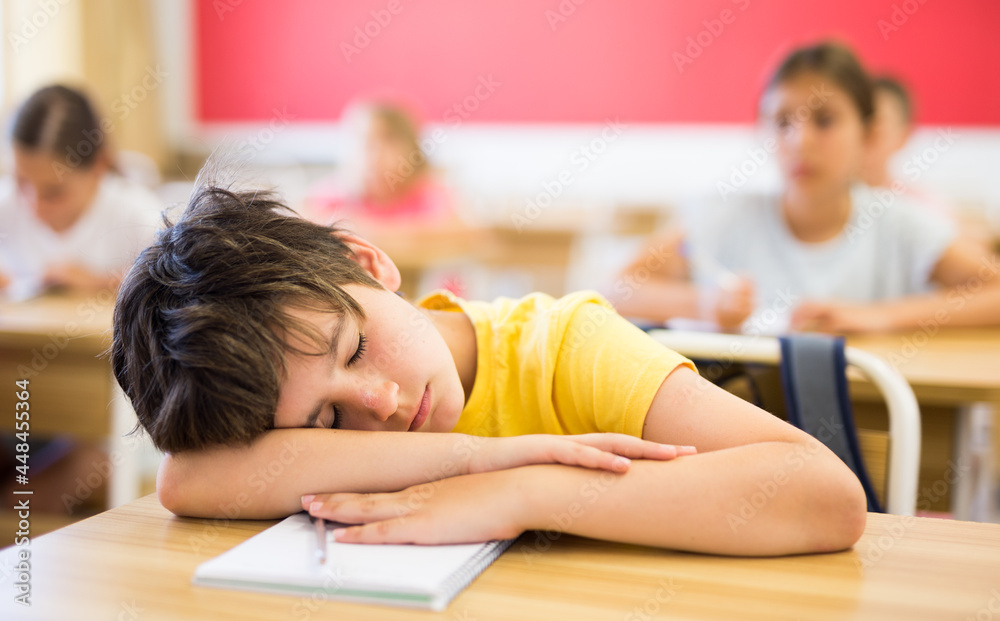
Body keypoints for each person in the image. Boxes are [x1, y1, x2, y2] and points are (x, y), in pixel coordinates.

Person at [111, 178, 867, 557]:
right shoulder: (324, 420)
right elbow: (188, 480)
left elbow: (826, 495)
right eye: (326, 419)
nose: (380, 403)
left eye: (355, 349)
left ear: (367, 263)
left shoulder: (564, 346)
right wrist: (476, 456)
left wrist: (522, 490)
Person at [611, 43, 1000, 335]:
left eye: (825, 120)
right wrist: (703, 304)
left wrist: (881, 316)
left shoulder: (900, 224)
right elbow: (614, 289)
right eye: (782, 122)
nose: (800, 141)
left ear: (867, 134)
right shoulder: (725, 217)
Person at [0, 84, 161, 298]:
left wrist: (100, 283)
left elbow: (173, 288)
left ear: (98, 166)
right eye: (21, 182)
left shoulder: (140, 217)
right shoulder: (6, 205)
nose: (34, 205)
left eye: (53, 193)